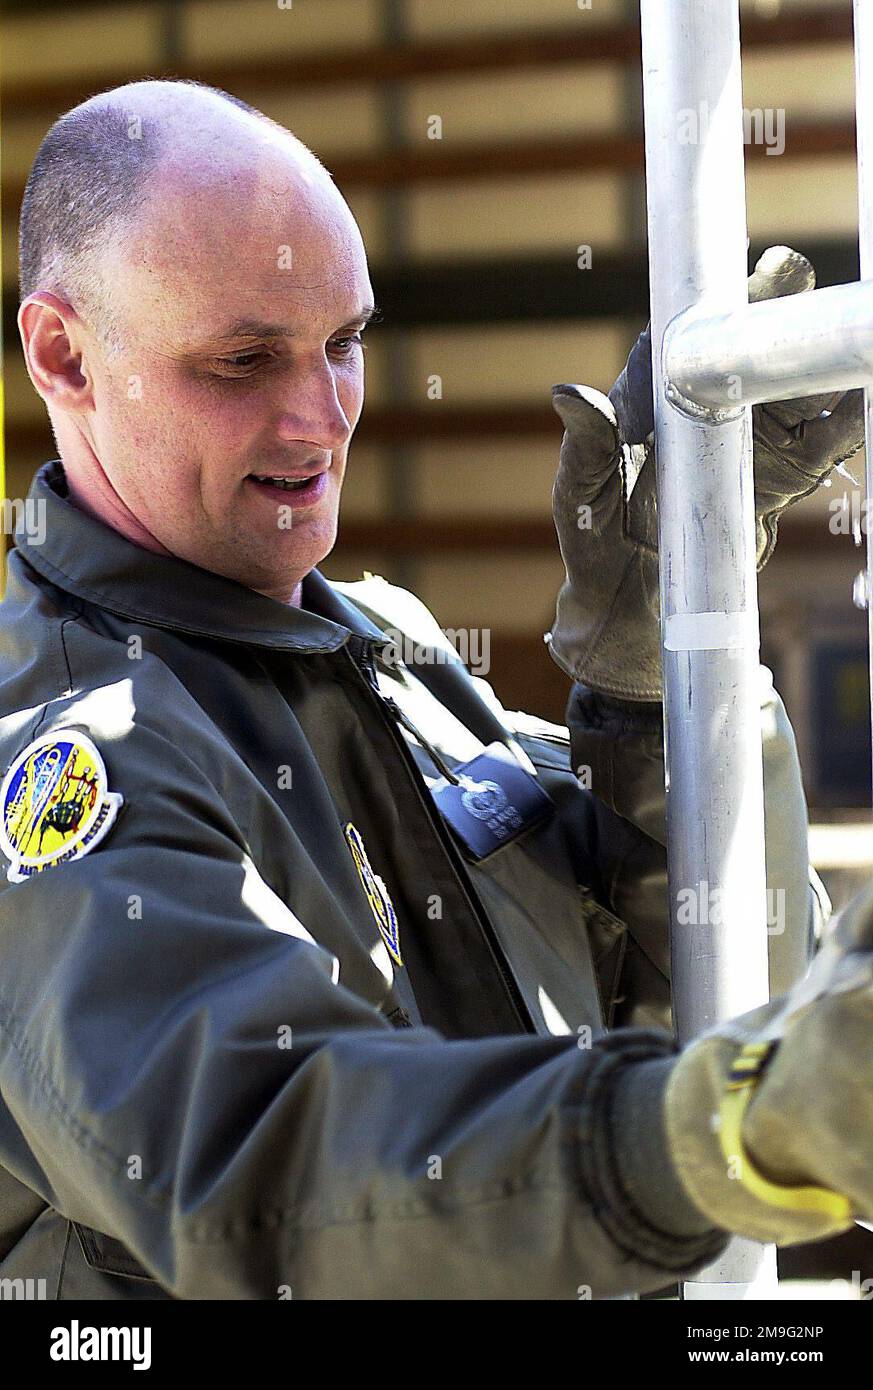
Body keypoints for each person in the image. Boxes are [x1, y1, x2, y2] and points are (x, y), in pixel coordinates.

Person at [0, 78, 869, 1301]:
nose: (320, 420)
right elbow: (269, 1165)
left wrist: (658, 684)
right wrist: (728, 1133)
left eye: (345, 343)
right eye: (243, 360)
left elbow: (703, 1000)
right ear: (64, 355)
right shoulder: (63, 760)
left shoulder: (393, 653)